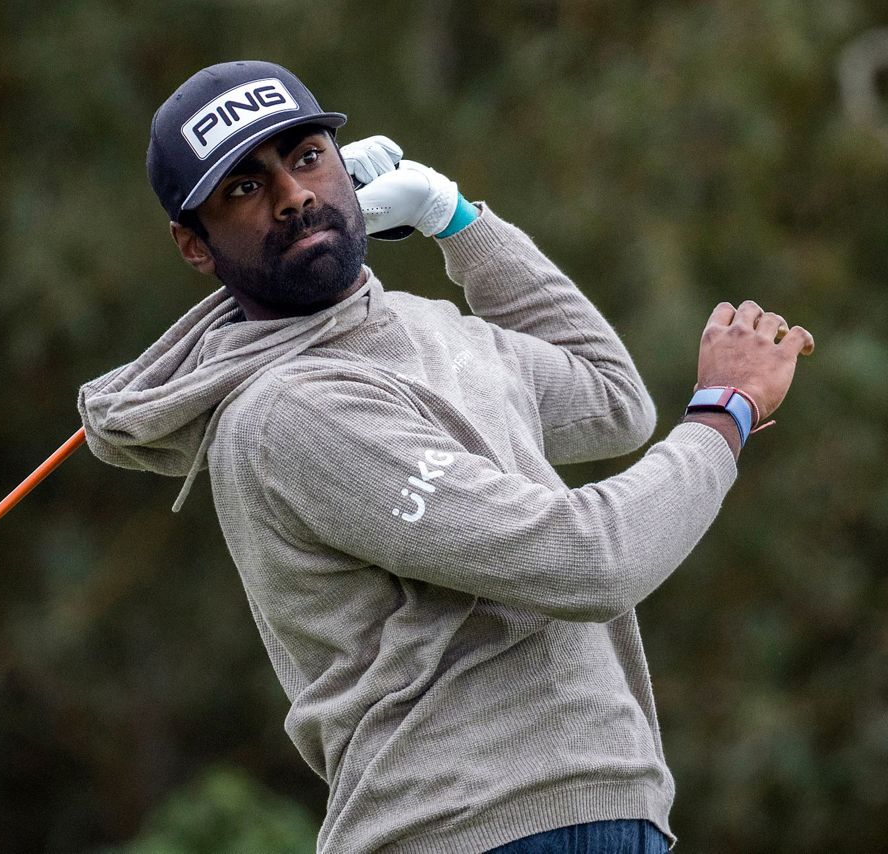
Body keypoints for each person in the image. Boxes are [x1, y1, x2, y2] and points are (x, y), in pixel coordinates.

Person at [78, 60, 814, 853]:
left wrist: (458, 219)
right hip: (461, 827)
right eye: (245, 188)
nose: (294, 196)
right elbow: (587, 560)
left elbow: (613, 404)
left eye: (306, 156)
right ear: (195, 245)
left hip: (604, 807)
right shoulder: (290, 412)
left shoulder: (434, 329)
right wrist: (722, 415)